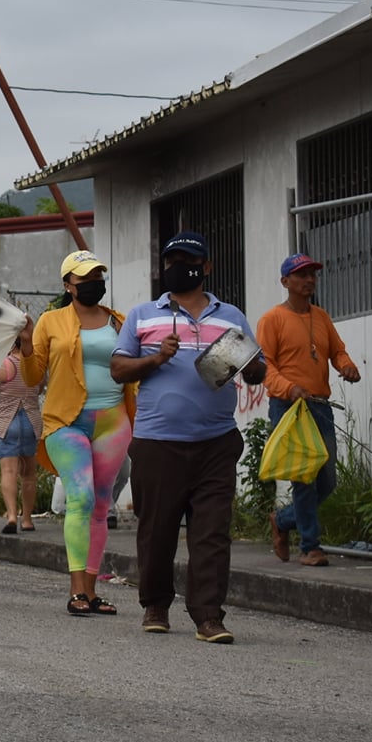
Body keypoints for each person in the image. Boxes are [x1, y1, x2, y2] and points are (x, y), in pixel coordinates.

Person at [112, 231, 265, 643]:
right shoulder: (143, 315)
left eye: (187, 260)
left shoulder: (230, 315)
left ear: (207, 268)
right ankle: (156, 606)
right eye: (171, 260)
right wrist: (157, 357)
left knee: (212, 531)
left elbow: (257, 369)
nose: (177, 267)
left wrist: (249, 365)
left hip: (217, 441)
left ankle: (209, 616)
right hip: (158, 441)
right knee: (157, 529)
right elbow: (119, 370)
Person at [22, 251, 138, 617]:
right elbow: (31, 376)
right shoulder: (50, 322)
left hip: (113, 420)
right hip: (65, 421)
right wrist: (26, 344)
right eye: (85, 278)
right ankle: (75, 590)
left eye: (97, 276)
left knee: (102, 506)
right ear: (68, 285)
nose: (93, 283)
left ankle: (92, 590)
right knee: (81, 497)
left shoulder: (118, 321)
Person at [257, 253, 362, 567]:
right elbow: (265, 365)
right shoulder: (272, 319)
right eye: (301, 275)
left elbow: (337, 351)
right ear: (285, 281)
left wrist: (348, 366)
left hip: (319, 405)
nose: (309, 280)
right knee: (305, 477)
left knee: (327, 479)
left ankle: (284, 520)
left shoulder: (322, 316)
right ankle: (310, 546)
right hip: (289, 406)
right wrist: (290, 388)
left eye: (312, 275)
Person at [0, 338, 42, 538]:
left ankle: (12, 516)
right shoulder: (36, 366)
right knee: (29, 474)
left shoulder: (4, 366)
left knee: (9, 471)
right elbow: (40, 388)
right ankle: (27, 519)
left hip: (7, 422)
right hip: (31, 421)